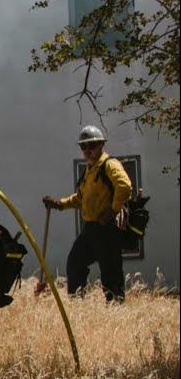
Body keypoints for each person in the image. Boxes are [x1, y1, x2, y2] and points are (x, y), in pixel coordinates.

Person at [42, 125, 133, 302]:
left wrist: (112, 211)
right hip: (91, 229)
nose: (87, 150)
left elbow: (125, 186)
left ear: (101, 145)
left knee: (110, 274)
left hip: (107, 229)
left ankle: (116, 312)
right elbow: (81, 198)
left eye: (91, 146)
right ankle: (78, 306)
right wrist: (59, 204)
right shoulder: (90, 169)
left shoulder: (109, 164)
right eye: (83, 147)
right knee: (75, 262)